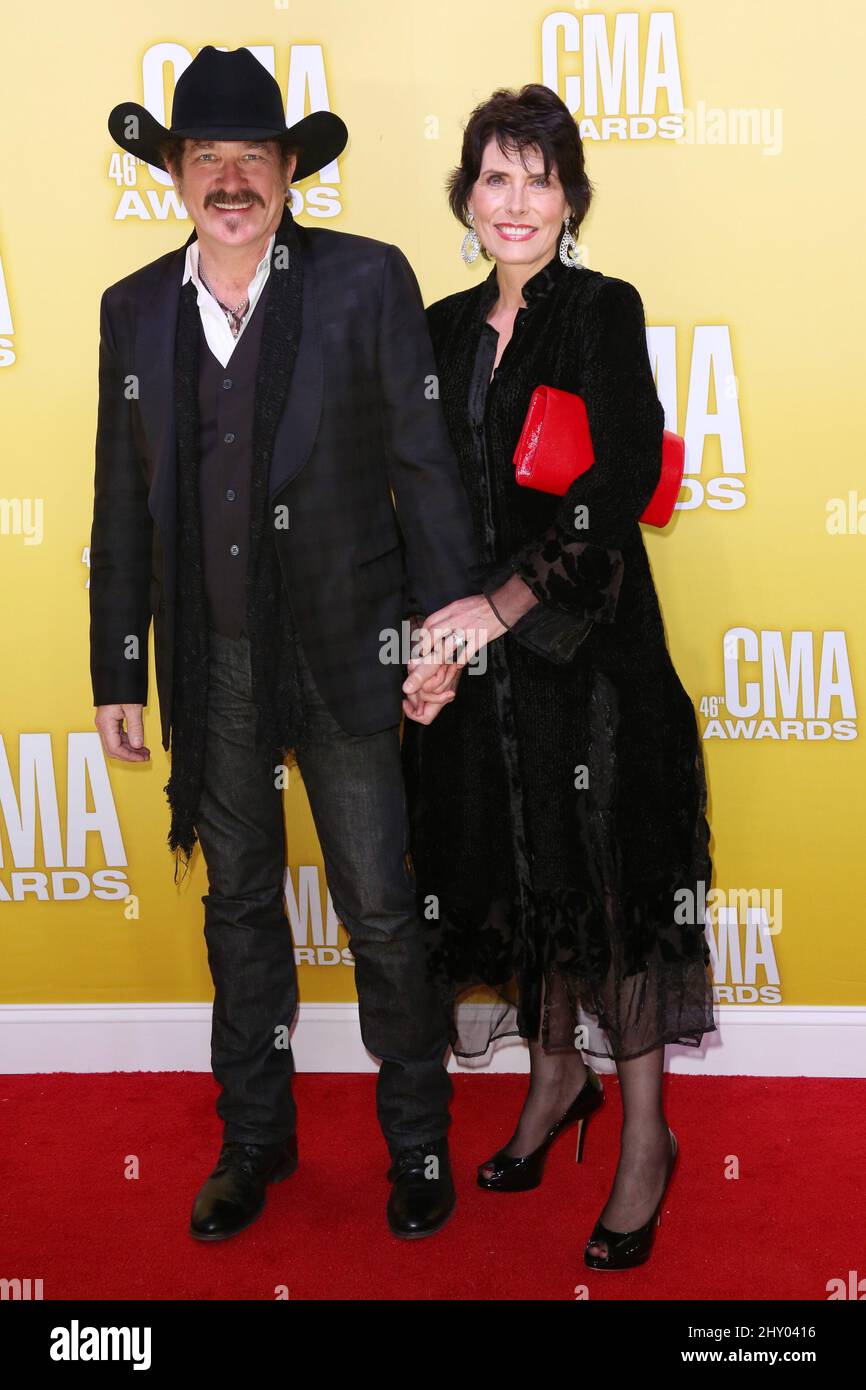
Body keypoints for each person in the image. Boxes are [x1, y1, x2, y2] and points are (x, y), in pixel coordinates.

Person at [89, 46, 482, 1242]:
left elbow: (424, 469)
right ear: (172, 172)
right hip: (213, 665)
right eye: (203, 156)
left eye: (249, 157)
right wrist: (119, 665)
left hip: (350, 645)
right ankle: (254, 1137)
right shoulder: (135, 305)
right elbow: (120, 498)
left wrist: (444, 629)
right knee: (240, 908)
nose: (227, 178)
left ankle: (415, 1141)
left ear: (289, 167)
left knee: (376, 903)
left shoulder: (364, 283)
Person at [401, 83, 716, 1270]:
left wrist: (501, 603)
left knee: (609, 893)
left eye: (538, 177)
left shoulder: (597, 309)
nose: (515, 199)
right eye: (495, 176)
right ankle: (552, 1083)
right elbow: (419, 509)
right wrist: (425, 647)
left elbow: (620, 475)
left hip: (593, 661)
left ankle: (646, 1138)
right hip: (484, 676)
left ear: (571, 199)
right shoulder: (432, 329)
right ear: (466, 199)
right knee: (517, 878)